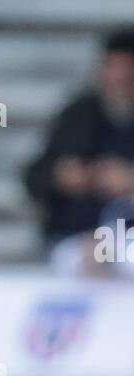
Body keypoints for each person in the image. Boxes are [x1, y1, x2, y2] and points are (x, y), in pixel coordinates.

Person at [25, 29, 134, 249]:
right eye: (112, 67)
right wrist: (62, 176)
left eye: (126, 69)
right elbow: (35, 176)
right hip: (77, 238)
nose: (117, 77)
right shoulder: (79, 114)